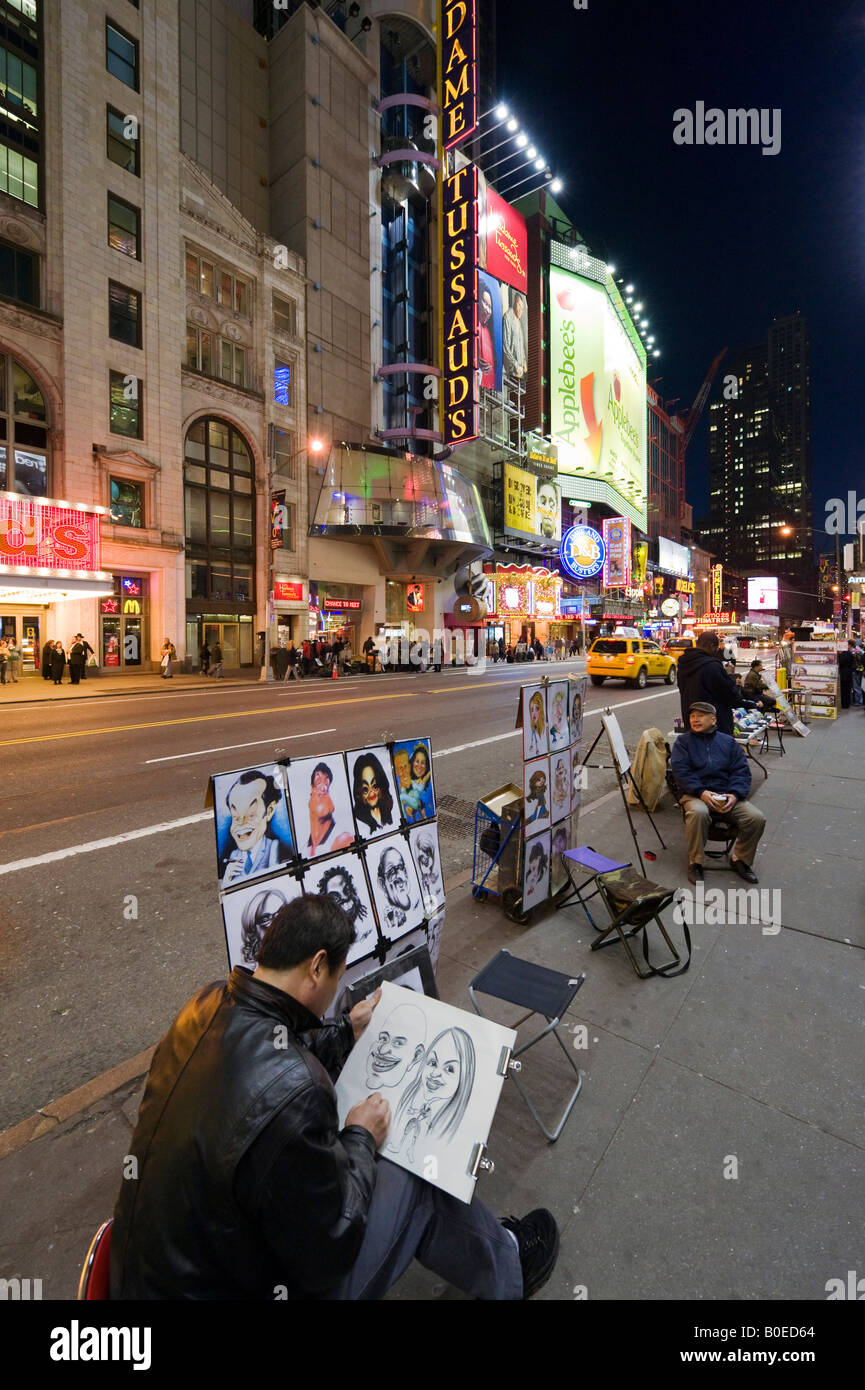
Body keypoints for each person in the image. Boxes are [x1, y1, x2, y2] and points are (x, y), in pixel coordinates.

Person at [109, 895, 556, 1300]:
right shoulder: (297, 1091)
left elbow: (263, 1065)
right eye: (339, 977)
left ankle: (501, 1259)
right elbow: (332, 1241)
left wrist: (346, 1032)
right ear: (318, 966)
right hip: (242, 1282)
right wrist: (361, 1137)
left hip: (149, 1275)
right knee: (414, 1172)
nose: (335, 994)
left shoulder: (204, 1005)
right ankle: (509, 1267)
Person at [670, 702, 766, 886]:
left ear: (713, 719)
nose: (695, 719)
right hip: (695, 794)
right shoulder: (683, 742)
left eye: (701, 715)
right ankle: (696, 863)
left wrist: (735, 794)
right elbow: (681, 772)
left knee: (756, 818)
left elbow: (741, 771)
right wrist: (701, 791)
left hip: (726, 794)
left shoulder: (728, 741)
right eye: (692, 716)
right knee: (698, 812)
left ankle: (741, 860)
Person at [387, 1027, 476, 1164]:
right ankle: (401, 1146)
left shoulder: (449, 1129)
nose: (434, 1074)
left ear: (464, 1078)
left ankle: (410, 1151)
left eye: (449, 1069)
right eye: (433, 1063)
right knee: (408, 1132)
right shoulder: (409, 1098)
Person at [677, 630, 762, 736]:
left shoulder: (683, 665)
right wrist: (733, 682)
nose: (717, 651)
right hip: (714, 725)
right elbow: (728, 694)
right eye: (716, 648)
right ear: (712, 646)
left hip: (692, 722)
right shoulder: (712, 666)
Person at [219, 770, 294, 887]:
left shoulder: (276, 849)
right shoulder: (232, 856)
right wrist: (226, 882)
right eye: (236, 817)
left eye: (251, 815)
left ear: (269, 811)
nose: (242, 823)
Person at [305, 762, 354, 857]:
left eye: (327, 787)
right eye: (318, 784)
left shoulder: (343, 839)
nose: (323, 788)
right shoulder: (305, 846)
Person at [351, 754, 396, 836]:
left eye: (374, 786)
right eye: (365, 789)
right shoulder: (360, 823)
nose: (371, 793)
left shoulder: (391, 813)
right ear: (359, 792)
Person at [502, 288, 527, 380]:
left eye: (522, 308)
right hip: (510, 369)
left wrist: (524, 362)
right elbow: (505, 345)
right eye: (519, 305)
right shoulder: (508, 317)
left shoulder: (519, 323)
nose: (521, 310)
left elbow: (521, 348)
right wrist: (515, 364)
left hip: (518, 371)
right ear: (514, 303)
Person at [478, 286, 497, 389]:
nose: (488, 310)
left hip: (485, 388)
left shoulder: (487, 333)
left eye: (490, 307)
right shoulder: (469, 324)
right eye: (485, 303)